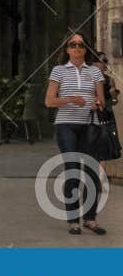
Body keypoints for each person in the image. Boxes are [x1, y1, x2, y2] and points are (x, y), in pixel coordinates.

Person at [45, 31, 108, 235]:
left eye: (81, 44)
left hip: (90, 124)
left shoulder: (95, 72)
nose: (77, 48)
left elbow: (101, 101)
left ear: (86, 49)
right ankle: (73, 220)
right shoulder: (59, 71)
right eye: (73, 44)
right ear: (67, 49)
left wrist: (97, 103)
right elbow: (49, 101)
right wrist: (71, 99)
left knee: (91, 172)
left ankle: (90, 219)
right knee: (72, 170)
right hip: (66, 125)